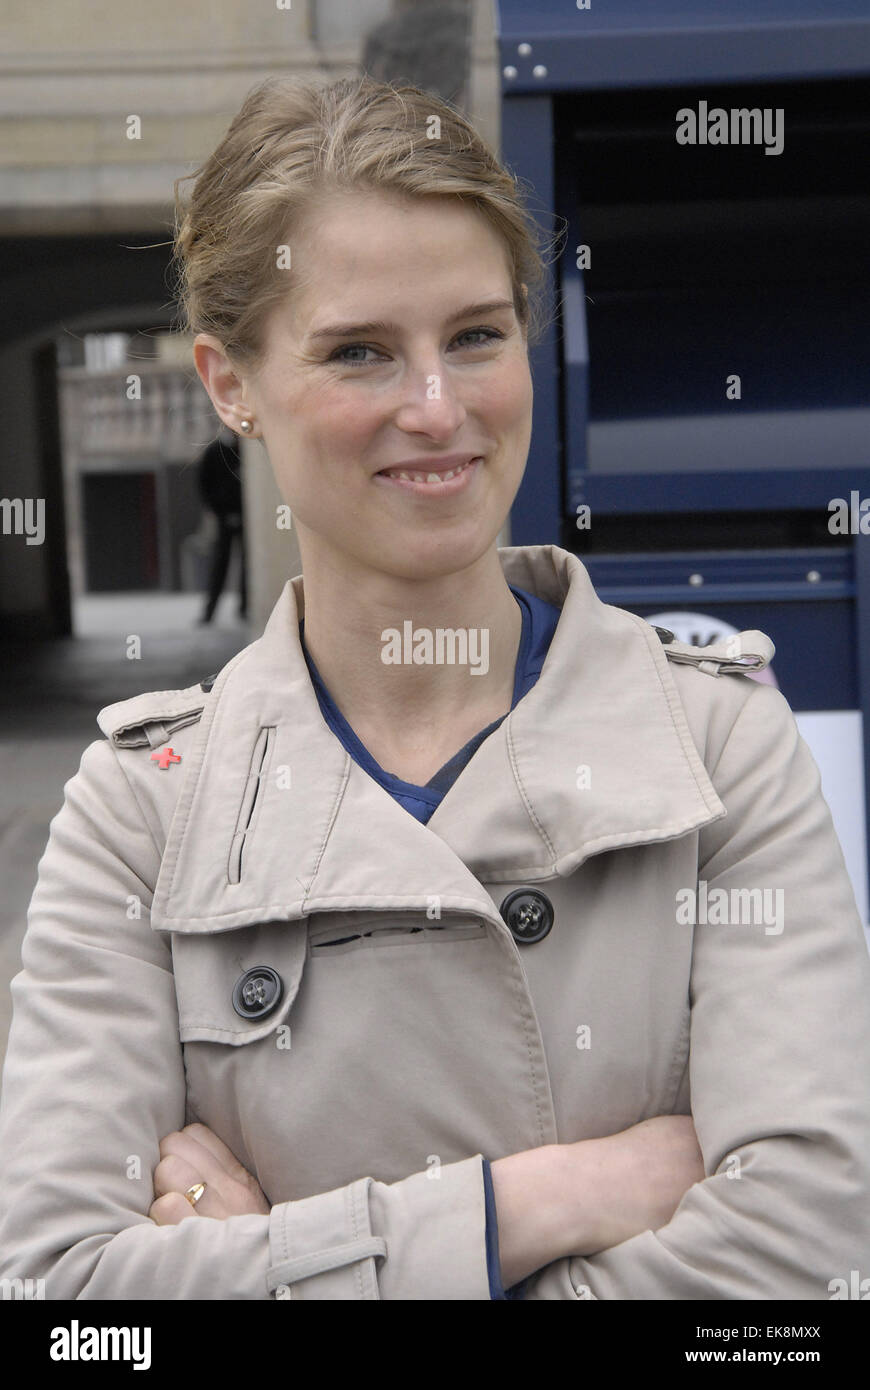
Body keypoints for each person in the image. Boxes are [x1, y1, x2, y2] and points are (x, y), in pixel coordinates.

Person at [0, 73, 869, 1301]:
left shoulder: (717, 745)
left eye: (476, 335)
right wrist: (540, 1202)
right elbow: (67, 1300)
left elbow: (809, 1256)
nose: (436, 407)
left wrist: (281, 1253)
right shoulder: (145, 811)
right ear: (228, 383)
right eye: (361, 351)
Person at [195, 428, 247, 623]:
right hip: (224, 518)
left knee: (246, 564)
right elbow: (204, 485)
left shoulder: (242, 451)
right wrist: (219, 512)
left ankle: (244, 607)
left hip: (242, 517)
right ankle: (210, 611)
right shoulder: (214, 452)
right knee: (220, 564)